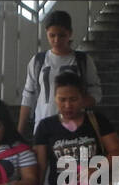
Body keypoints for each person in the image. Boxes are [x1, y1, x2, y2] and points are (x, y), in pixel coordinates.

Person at [16, 9, 102, 137]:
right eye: (52, 35)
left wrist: (77, 105)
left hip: (75, 128)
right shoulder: (38, 61)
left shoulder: (82, 61)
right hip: (43, 127)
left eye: (61, 35)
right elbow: (28, 97)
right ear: (47, 34)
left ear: (70, 34)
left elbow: (96, 92)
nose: (56, 40)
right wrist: (19, 132)